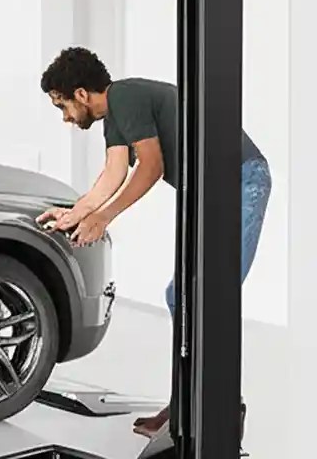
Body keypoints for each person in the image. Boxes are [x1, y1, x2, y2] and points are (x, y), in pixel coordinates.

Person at [35, 47, 268, 438]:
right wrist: (75, 213)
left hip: (242, 182)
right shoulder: (117, 117)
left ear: (80, 94)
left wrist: (104, 217)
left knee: (213, 298)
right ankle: (185, 405)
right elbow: (113, 174)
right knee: (181, 296)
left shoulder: (125, 96)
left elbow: (152, 166)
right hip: (212, 192)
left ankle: (224, 409)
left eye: (63, 107)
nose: (66, 119)